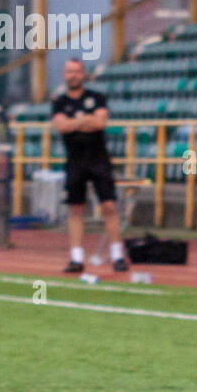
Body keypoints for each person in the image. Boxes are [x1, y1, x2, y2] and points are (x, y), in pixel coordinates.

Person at [51, 57, 127, 273]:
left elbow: (100, 122)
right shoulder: (59, 102)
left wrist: (75, 122)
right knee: (75, 209)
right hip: (75, 160)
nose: (73, 75)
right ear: (65, 75)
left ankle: (117, 255)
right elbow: (62, 127)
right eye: (69, 72)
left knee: (109, 206)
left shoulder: (97, 97)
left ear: (82, 74)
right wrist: (84, 121)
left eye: (76, 71)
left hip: (99, 159)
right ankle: (76, 258)